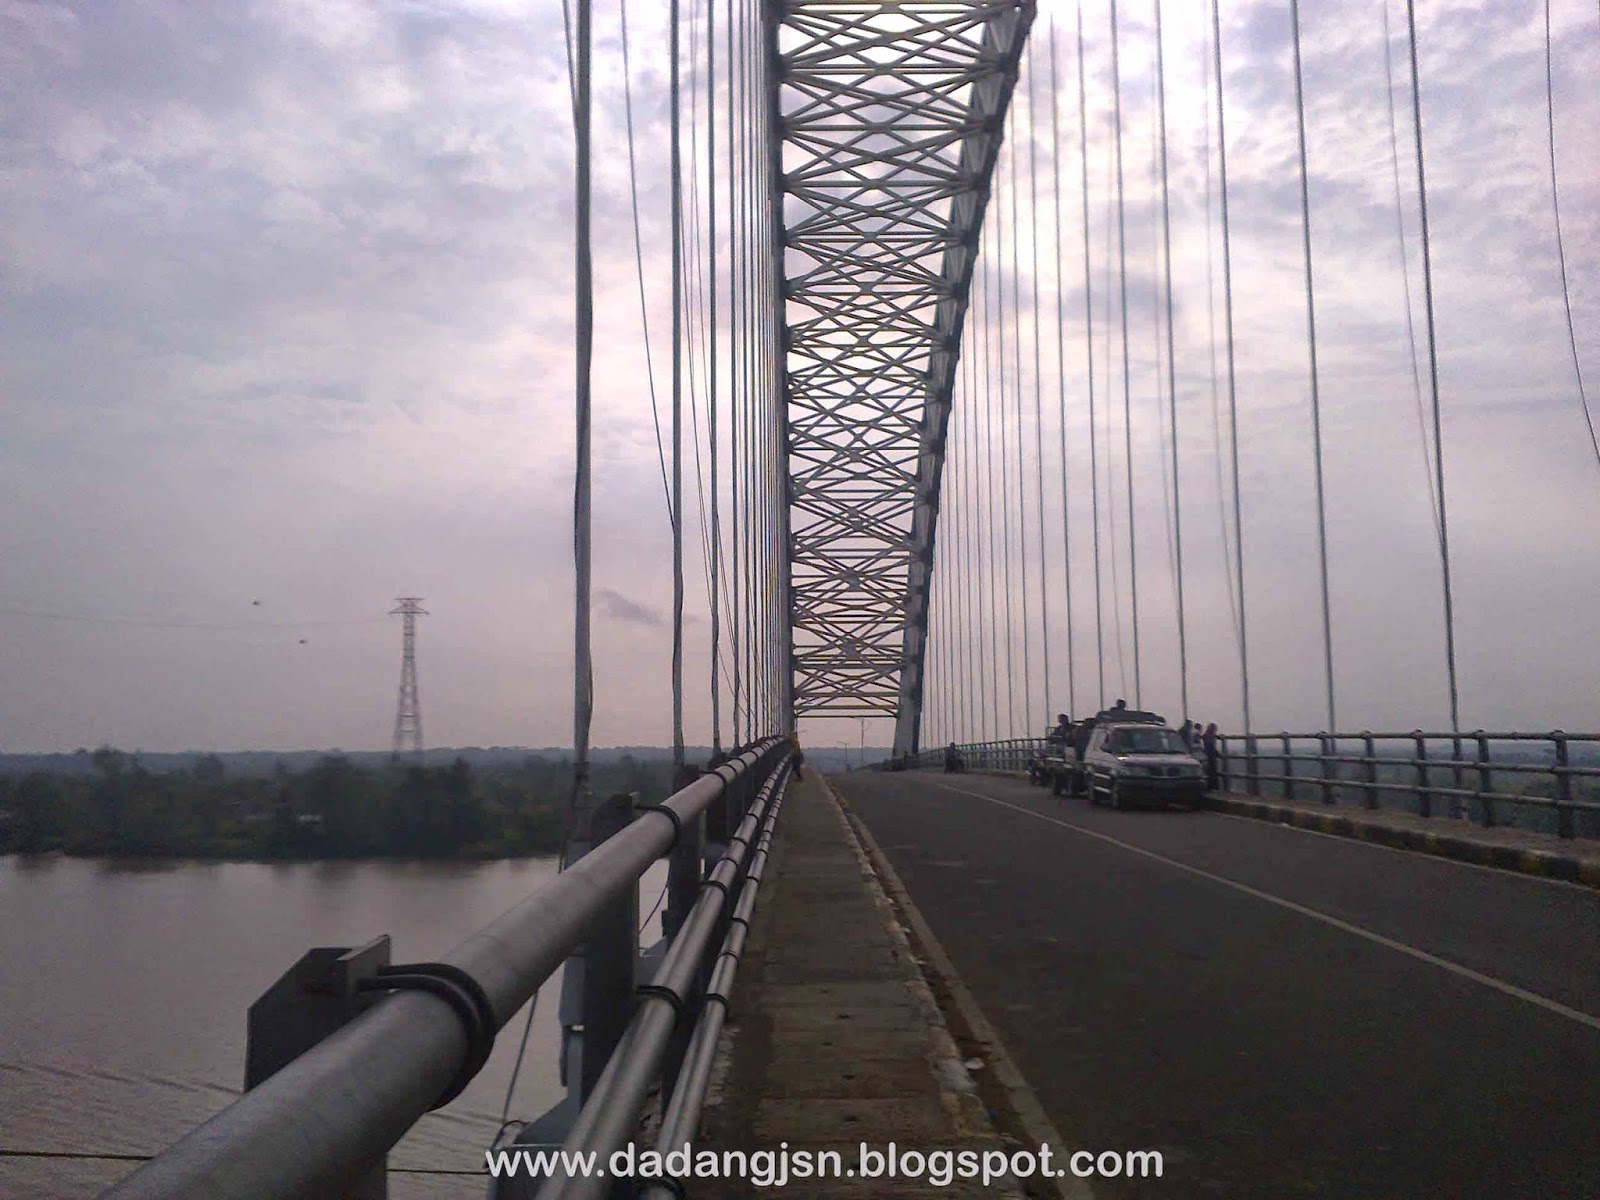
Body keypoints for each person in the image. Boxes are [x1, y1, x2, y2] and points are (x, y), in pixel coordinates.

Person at [1201, 722, 1220, 791]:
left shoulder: (1206, 735)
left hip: (1208, 754)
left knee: (1210, 771)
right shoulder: (1210, 736)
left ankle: (1211, 786)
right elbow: (1211, 745)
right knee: (1212, 770)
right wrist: (1217, 753)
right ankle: (1213, 786)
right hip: (1210, 754)